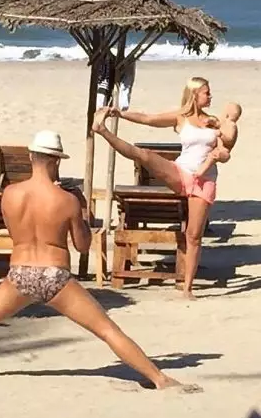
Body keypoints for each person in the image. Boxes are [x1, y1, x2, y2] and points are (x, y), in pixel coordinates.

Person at [0, 130, 199, 392]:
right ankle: (160, 379)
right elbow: (83, 245)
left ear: (31, 157)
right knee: (107, 330)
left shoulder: (10, 194)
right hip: (55, 276)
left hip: (20, 273)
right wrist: (82, 210)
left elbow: (16, 235)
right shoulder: (67, 200)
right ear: (56, 162)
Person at [92, 77, 240, 299]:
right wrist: (120, 113)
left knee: (193, 236)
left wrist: (221, 153)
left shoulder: (214, 121)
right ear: (194, 94)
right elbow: (148, 118)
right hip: (181, 173)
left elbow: (226, 150)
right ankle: (102, 130)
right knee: (145, 155)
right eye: (206, 93)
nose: (210, 96)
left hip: (204, 181)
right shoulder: (180, 116)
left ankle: (187, 288)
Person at [195, 101, 242, 180]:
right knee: (209, 156)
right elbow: (217, 125)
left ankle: (200, 172)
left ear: (227, 115)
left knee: (212, 156)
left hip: (223, 150)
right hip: (218, 148)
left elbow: (230, 139)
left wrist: (221, 135)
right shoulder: (223, 124)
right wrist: (211, 122)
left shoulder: (231, 125)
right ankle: (200, 171)